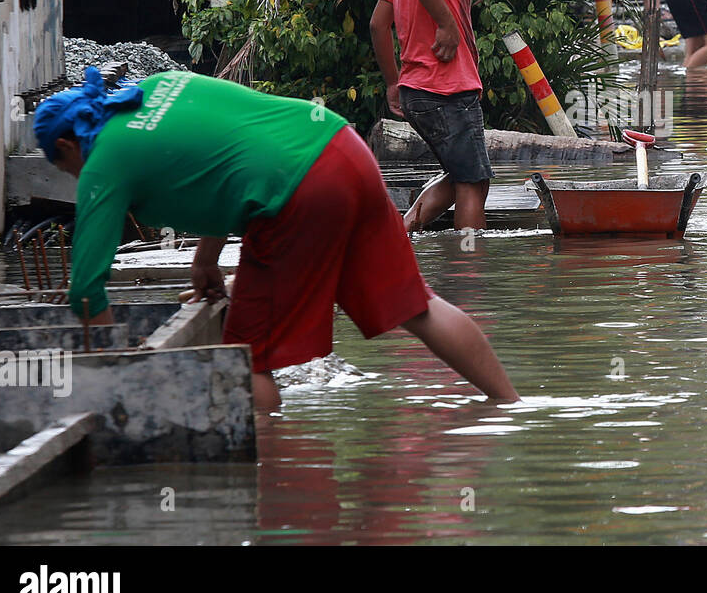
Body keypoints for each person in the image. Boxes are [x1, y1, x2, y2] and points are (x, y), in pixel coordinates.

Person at [33, 67, 521, 412]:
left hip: (295, 194)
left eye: (65, 170)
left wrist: (106, 382)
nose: (75, 179)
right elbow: (227, 152)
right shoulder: (159, 87)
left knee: (246, 358)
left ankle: (276, 490)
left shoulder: (103, 163)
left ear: (66, 146)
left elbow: (86, 289)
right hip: (342, 151)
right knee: (418, 308)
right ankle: (510, 407)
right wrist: (205, 258)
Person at [371, 0, 505, 231]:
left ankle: (399, 235)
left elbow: (378, 24)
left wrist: (393, 82)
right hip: (446, 87)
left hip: (418, 90)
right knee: (474, 183)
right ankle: (470, 276)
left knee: (460, 173)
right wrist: (447, 24)